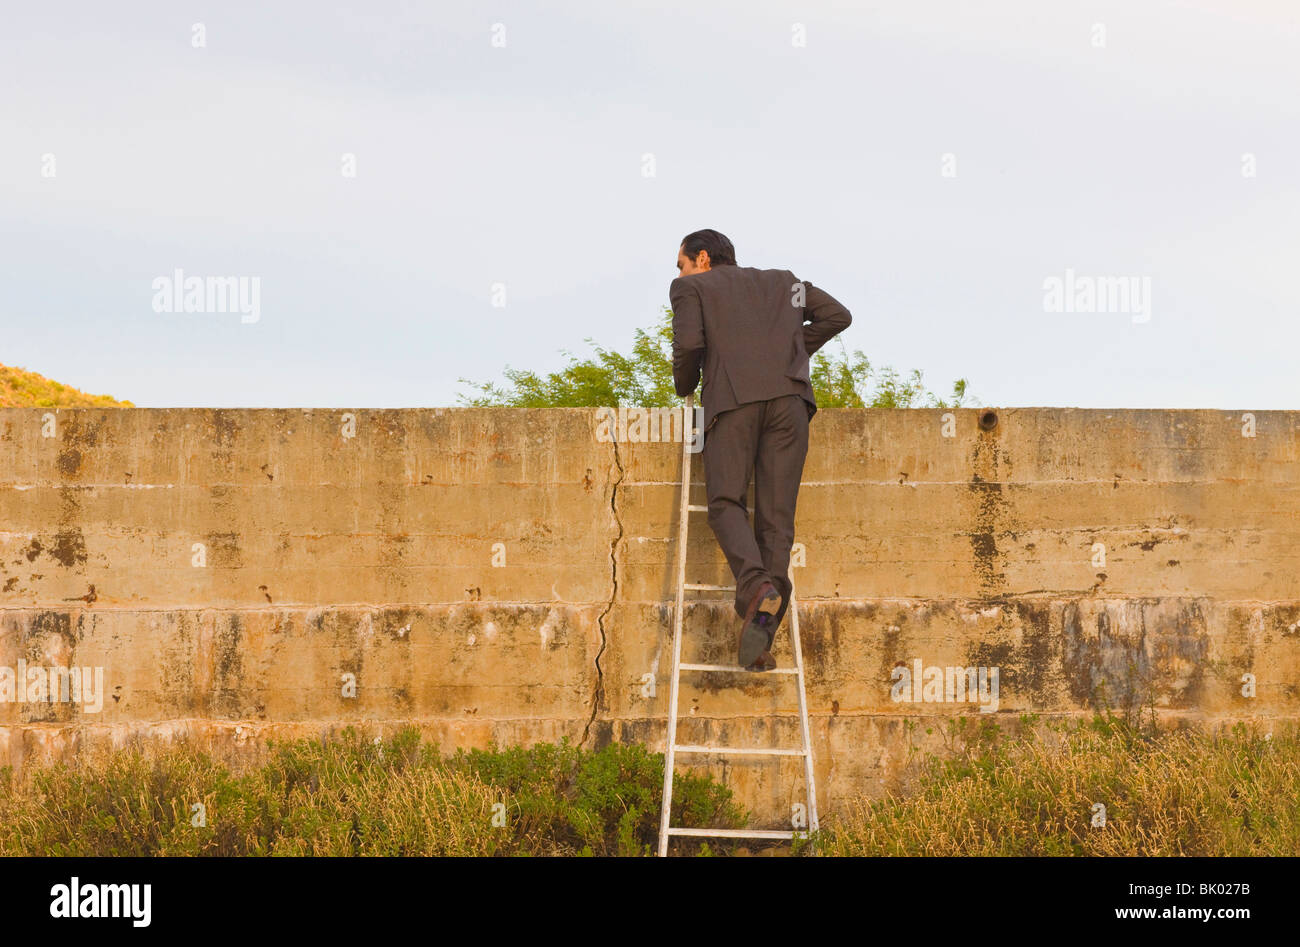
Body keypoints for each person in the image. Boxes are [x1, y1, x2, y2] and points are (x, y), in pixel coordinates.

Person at [669, 229, 852, 671]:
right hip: (790, 406)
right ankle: (761, 637)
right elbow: (837, 316)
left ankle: (754, 588)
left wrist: (684, 384)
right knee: (775, 520)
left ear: (703, 258)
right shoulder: (783, 281)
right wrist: (787, 353)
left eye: (681, 262)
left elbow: (691, 345)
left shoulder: (690, 287)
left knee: (726, 502)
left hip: (734, 403)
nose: (678, 271)